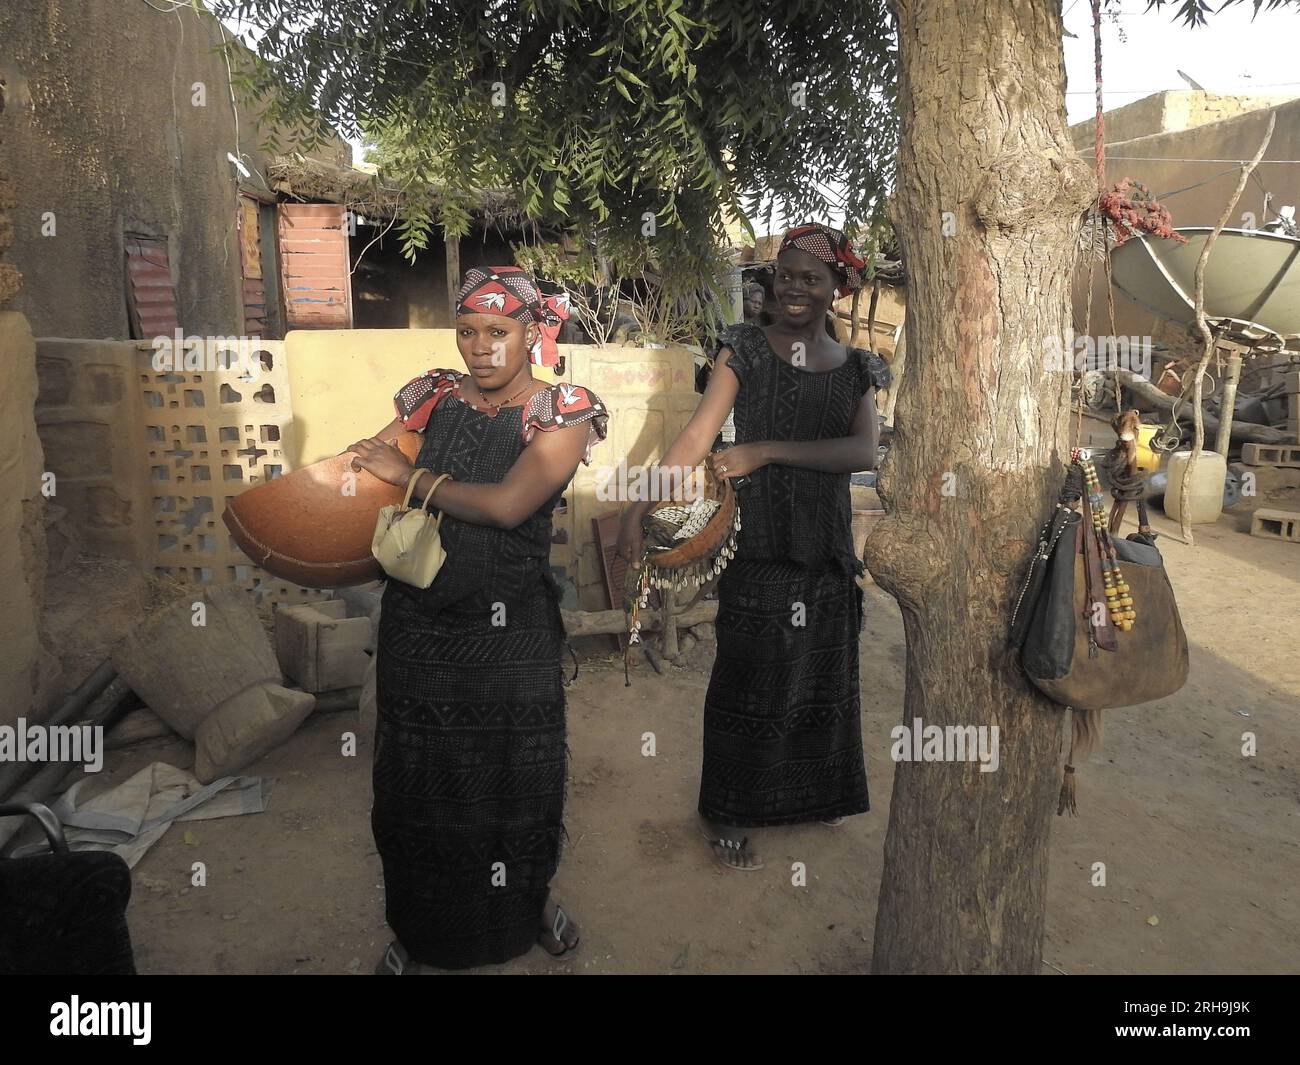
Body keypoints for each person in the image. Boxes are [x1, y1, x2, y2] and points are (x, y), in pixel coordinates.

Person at [346, 266, 608, 970]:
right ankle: (419, 929)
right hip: (420, 630)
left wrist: (412, 479)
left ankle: (528, 907)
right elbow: (367, 469)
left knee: (516, 788)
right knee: (417, 790)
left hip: (510, 638)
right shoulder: (431, 396)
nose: (481, 346)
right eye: (468, 331)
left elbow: (508, 504)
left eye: (499, 331)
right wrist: (335, 492)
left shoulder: (561, 412)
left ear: (533, 333)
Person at [617, 223, 889, 871]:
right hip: (758, 546)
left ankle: (810, 795)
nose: (794, 287)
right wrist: (640, 501)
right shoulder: (744, 349)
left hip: (825, 548)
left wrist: (765, 449)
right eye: (785, 274)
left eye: (811, 278)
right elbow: (696, 435)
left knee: (822, 677)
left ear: (835, 290)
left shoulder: (856, 368)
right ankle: (730, 808)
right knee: (749, 680)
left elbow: (862, 451)